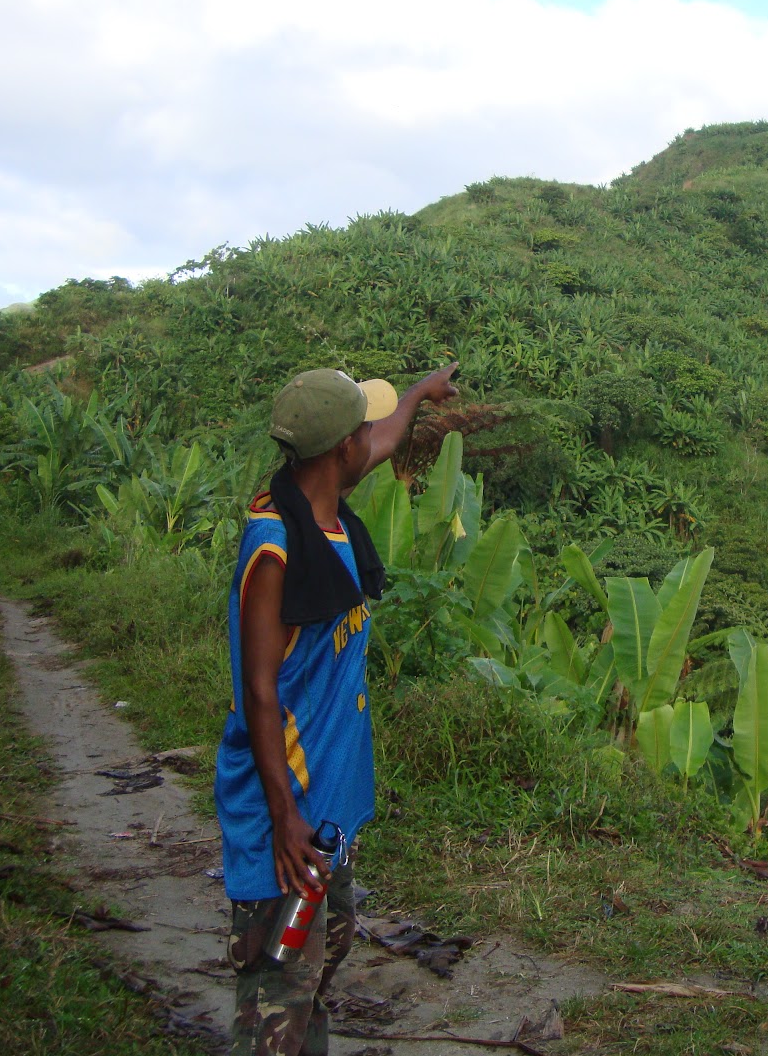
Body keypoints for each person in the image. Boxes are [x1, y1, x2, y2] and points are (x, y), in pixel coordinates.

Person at [216, 362, 458, 1056]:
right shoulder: (276, 547)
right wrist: (284, 817)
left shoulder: (323, 508)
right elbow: (259, 690)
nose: (372, 440)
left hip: (329, 804)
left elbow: (389, 436)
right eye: (362, 429)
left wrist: (421, 393)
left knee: (322, 962)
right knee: (277, 998)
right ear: (338, 449)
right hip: (289, 811)